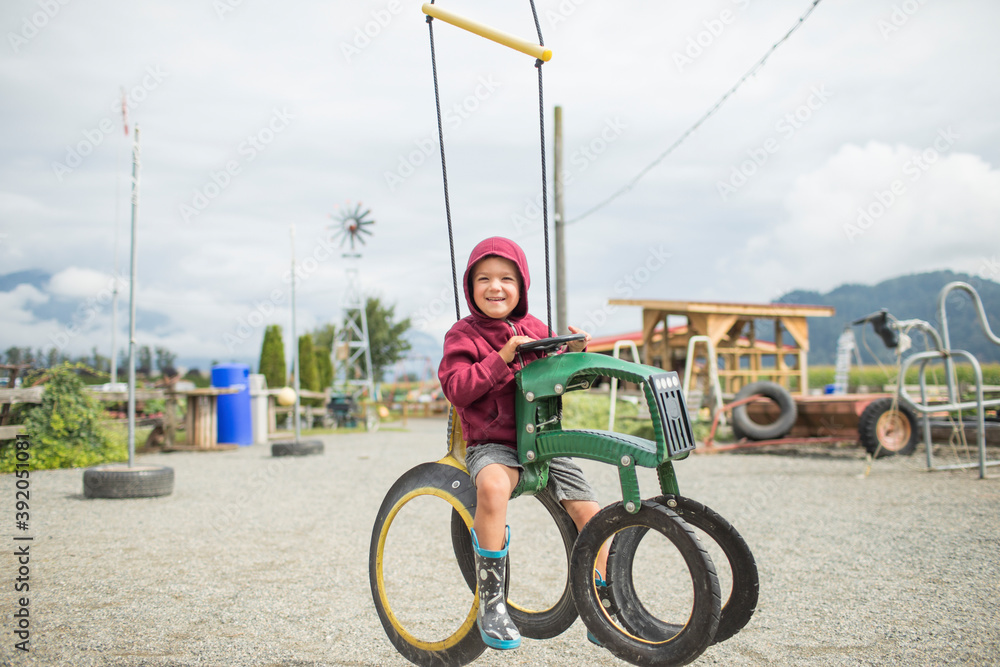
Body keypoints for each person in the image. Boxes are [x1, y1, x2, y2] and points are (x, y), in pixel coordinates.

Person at [438, 236, 608, 651]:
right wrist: (500, 357)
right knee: (493, 487)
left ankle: (599, 601)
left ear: (522, 286)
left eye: (506, 279)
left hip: (543, 438)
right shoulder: (463, 335)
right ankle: (492, 601)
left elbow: (556, 378)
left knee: (593, 512)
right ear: (470, 286)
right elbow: (457, 389)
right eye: (484, 279)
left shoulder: (536, 329)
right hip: (493, 443)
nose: (495, 287)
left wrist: (575, 355)